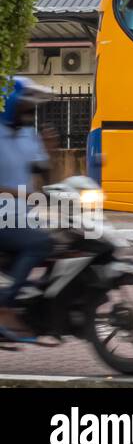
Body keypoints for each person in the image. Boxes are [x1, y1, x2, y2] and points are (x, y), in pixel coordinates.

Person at [0, 78, 54, 341]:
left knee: (63, 242)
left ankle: (36, 308)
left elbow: (43, 173)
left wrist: (50, 151)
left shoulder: (28, 135)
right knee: (40, 243)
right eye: (24, 108)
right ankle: (5, 306)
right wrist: (21, 194)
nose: (29, 114)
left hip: (23, 216)